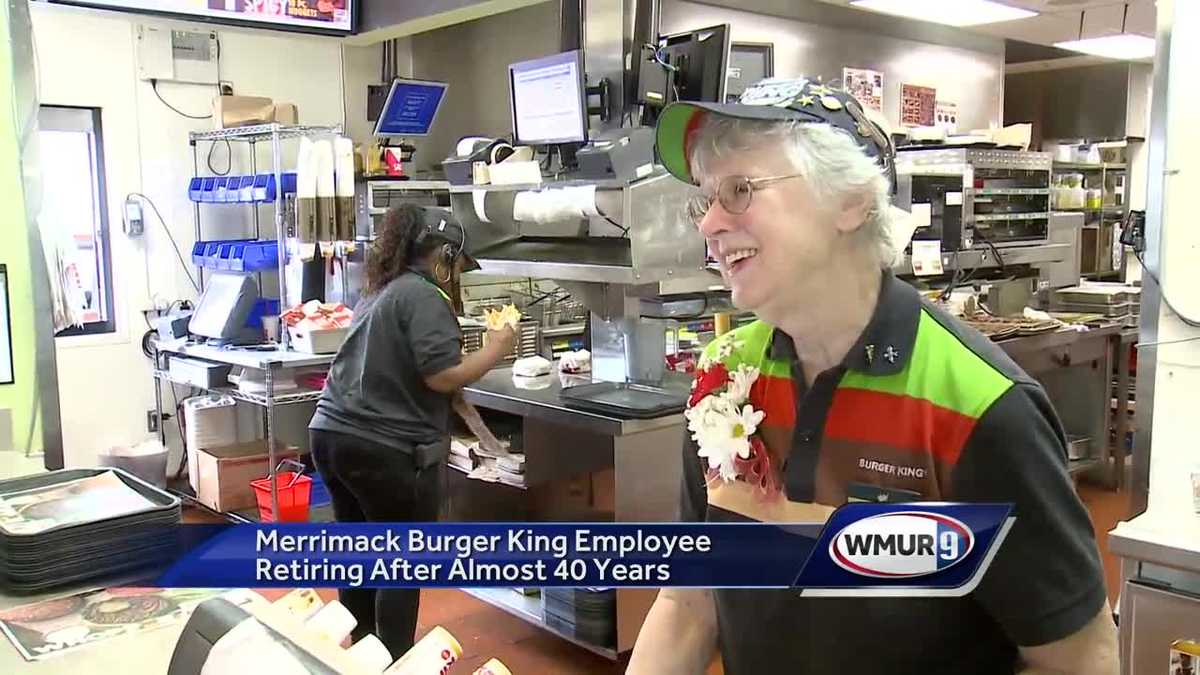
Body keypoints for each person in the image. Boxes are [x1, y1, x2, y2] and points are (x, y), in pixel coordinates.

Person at [628, 79, 1118, 674]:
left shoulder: (978, 407)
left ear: (850, 201)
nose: (708, 225)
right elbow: (689, 600)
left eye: (739, 190)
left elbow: (1077, 658)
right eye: (703, 200)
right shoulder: (725, 376)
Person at [308, 204, 516, 656]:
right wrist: (499, 347)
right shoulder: (424, 296)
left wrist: (487, 441)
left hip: (332, 436)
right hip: (382, 450)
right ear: (443, 256)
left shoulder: (382, 291)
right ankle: (394, 662)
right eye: (458, 264)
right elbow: (440, 376)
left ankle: (358, 657)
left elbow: (436, 385)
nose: (458, 275)